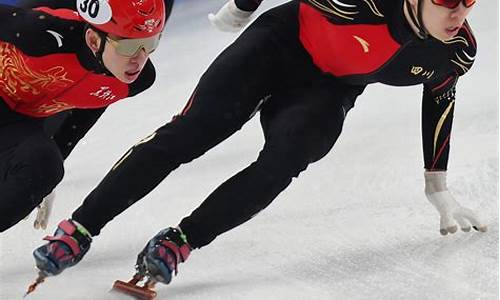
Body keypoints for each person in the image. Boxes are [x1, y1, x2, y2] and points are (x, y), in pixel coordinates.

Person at [34, 0, 488, 286]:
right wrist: (243, 7)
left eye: (468, 3)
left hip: (326, 91)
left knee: (288, 159)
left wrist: (437, 184)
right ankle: (81, 227)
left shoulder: (455, 51)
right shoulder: (357, 3)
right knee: (190, 133)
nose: (458, 15)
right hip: (277, 45)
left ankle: (181, 241)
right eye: (448, 3)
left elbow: (441, 96)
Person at [0, 0, 173, 232]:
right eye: (128, 47)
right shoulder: (41, 34)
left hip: (16, 122)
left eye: (150, 44)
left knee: (45, 165)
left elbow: (81, 118)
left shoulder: (134, 81)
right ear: (93, 40)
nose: (140, 59)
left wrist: (42, 179)